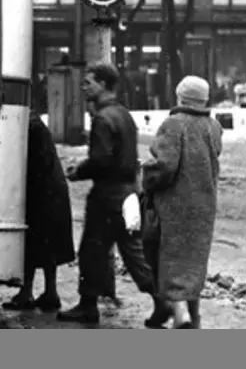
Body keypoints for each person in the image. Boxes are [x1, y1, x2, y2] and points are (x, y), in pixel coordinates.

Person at [58, 62, 163, 326]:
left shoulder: (103, 118)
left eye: (89, 82)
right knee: (134, 254)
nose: (84, 87)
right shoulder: (124, 114)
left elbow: (101, 160)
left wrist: (78, 171)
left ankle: (88, 306)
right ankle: (164, 303)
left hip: (107, 197)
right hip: (129, 195)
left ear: (103, 84)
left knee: (92, 251)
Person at [141, 75, 223, 329]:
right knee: (194, 261)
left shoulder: (173, 124)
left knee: (168, 258)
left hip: (174, 206)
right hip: (204, 205)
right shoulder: (213, 126)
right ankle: (193, 317)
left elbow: (165, 167)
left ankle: (180, 316)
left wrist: (146, 176)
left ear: (181, 97)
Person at [3, 113, 75, 312]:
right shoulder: (35, 124)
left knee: (30, 243)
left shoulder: (27, 125)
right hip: (52, 189)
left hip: (41, 191)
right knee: (47, 245)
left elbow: (28, 161)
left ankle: (26, 292)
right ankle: (50, 292)